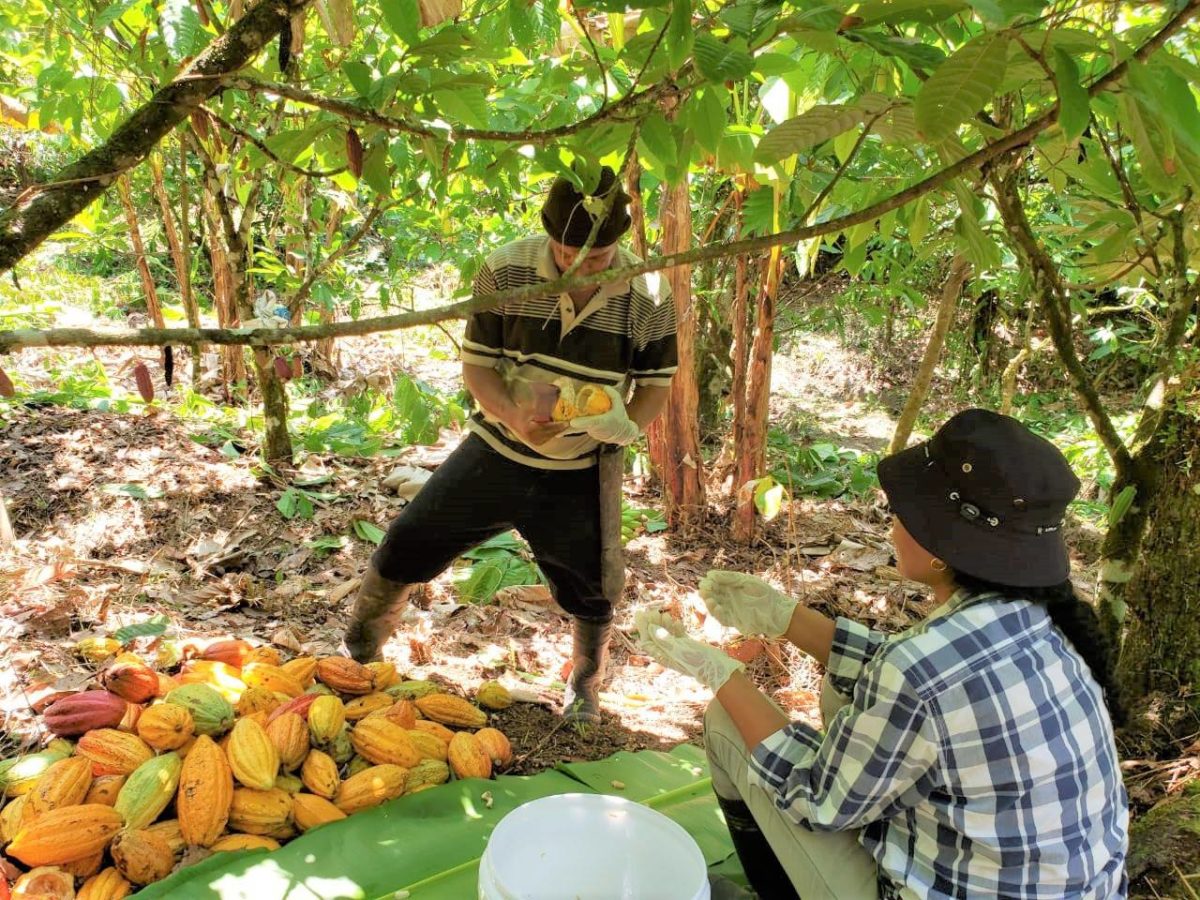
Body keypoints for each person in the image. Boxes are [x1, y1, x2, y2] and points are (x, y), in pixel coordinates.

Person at [636, 409, 1129, 898]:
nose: (893, 522)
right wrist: (786, 617)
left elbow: (816, 799)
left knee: (727, 721)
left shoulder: (919, 671)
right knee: (840, 689)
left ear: (941, 544)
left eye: (904, 512)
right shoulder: (1043, 618)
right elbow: (910, 680)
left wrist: (721, 675)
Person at [344, 165, 678, 725]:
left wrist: (623, 426)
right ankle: (359, 656)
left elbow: (655, 385)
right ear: (549, 235)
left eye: (594, 259)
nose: (577, 266)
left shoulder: (648, 292)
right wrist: (514, 416)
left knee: (592, 586)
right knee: (406, 543)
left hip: (580, 468)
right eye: (566, 251)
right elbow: (478, 367)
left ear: (621, 241)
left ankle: (584, 685)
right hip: (497, 448)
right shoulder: (508, 269)